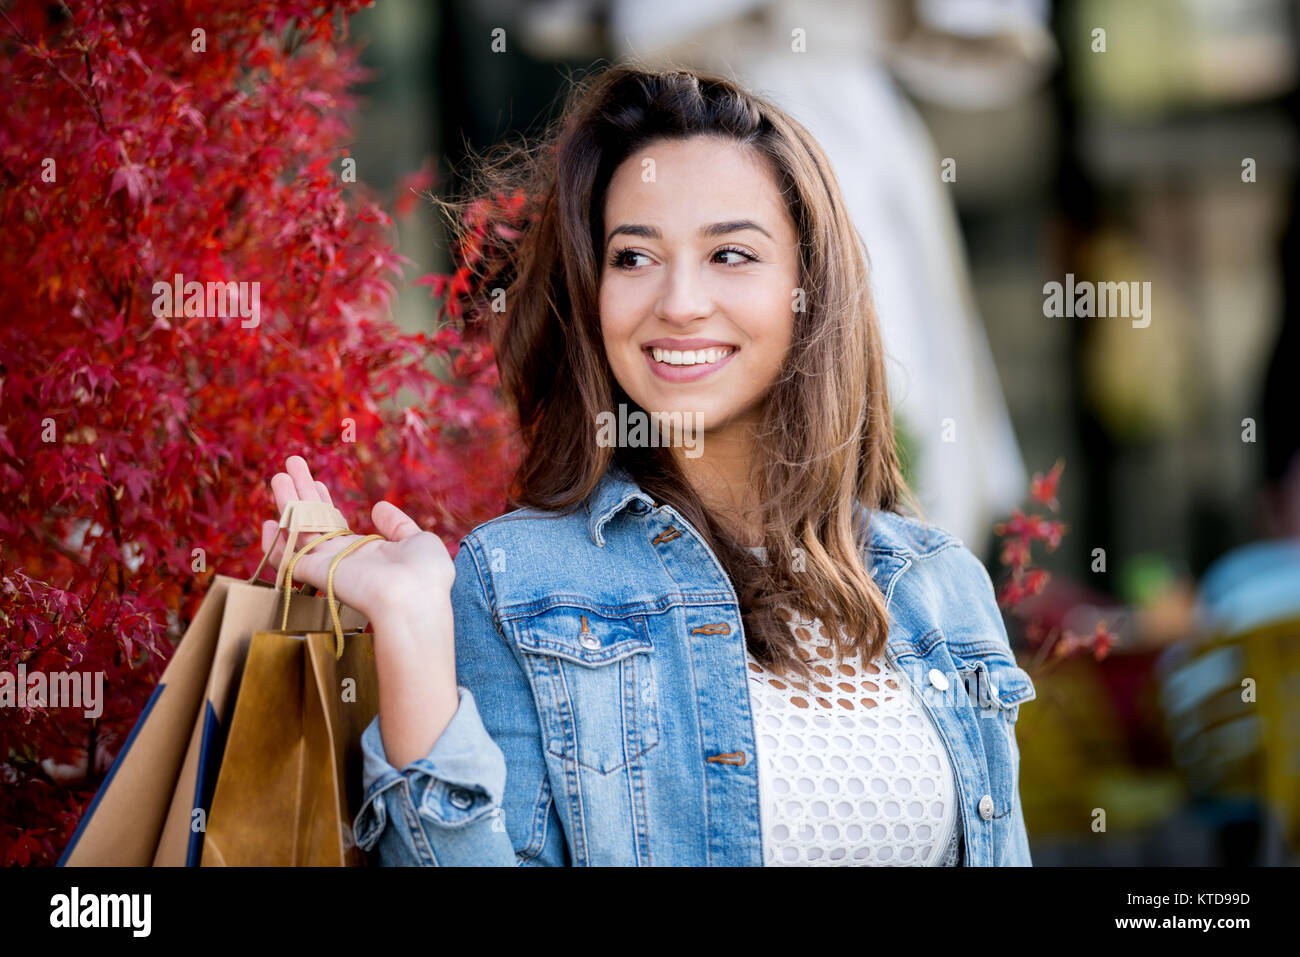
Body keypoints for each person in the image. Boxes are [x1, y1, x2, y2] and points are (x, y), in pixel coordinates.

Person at [256, 64, 1037, 866]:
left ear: (809, 287)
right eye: (633, 258)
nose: (680, 301)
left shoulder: (941, 585)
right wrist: (414, 627)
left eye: (731, 253)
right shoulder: (519, 581)